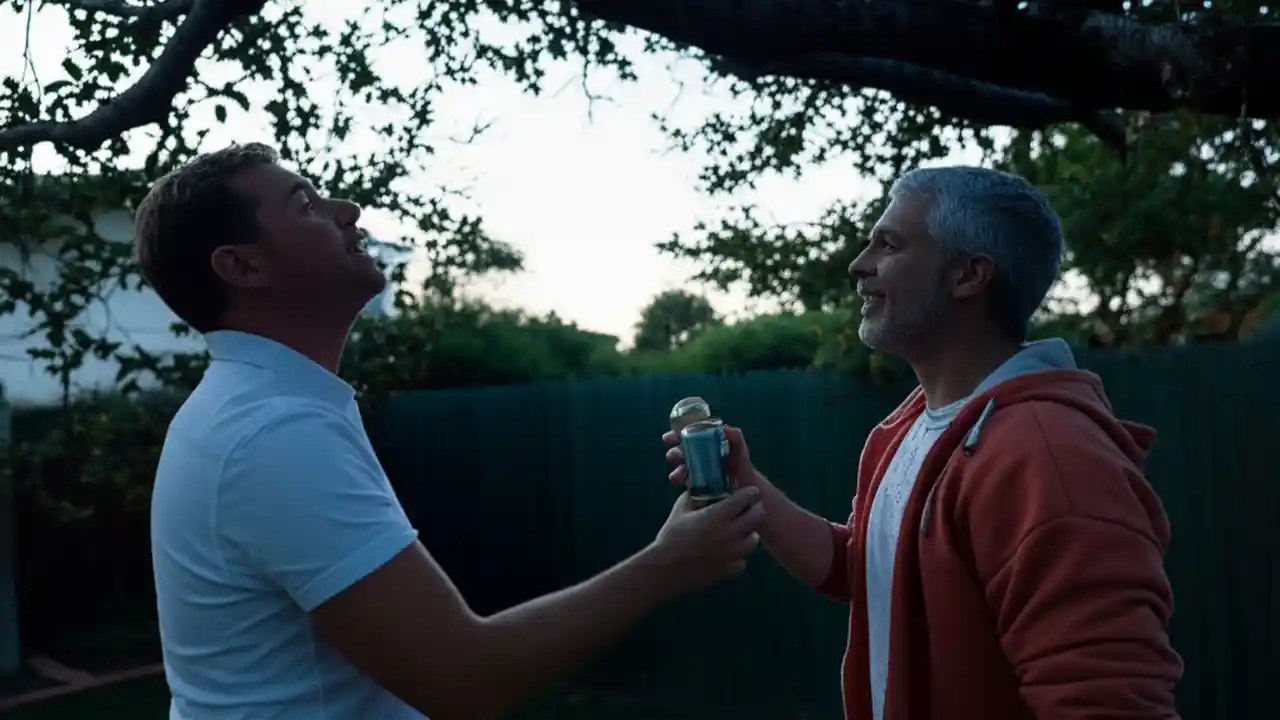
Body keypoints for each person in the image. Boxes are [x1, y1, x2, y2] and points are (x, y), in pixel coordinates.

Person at [139, 142, 766, 720]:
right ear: (242, 266)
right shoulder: (272, 432)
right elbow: (467, 678)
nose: (346, 209)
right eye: (306, 204)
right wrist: (669, 564)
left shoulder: (254, 411)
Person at [664, 166, 1183, 720]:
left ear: (968, 276)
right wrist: (749, 486)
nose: (858, 265)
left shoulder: (1050, 456)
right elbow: (860, 569)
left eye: (888, 244)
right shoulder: (911, 426)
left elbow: (1108, 703)